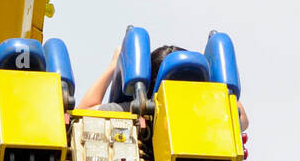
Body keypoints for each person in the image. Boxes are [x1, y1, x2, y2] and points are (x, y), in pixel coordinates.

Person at [77, 43, 250, 131]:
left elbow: (82, 114)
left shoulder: (132, 112)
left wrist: (114, 65)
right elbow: (241, 120)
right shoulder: (211, 117)